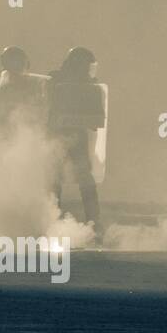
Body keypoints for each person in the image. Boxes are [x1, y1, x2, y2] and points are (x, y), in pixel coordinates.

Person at [48, 47, 103, 227]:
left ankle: (92, 221)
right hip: (57, 135)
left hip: (75, 136)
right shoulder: (55, 81)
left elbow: (95, 118)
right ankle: (50, 220)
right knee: (55, 179)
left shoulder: (88, 87)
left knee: (82, 179)